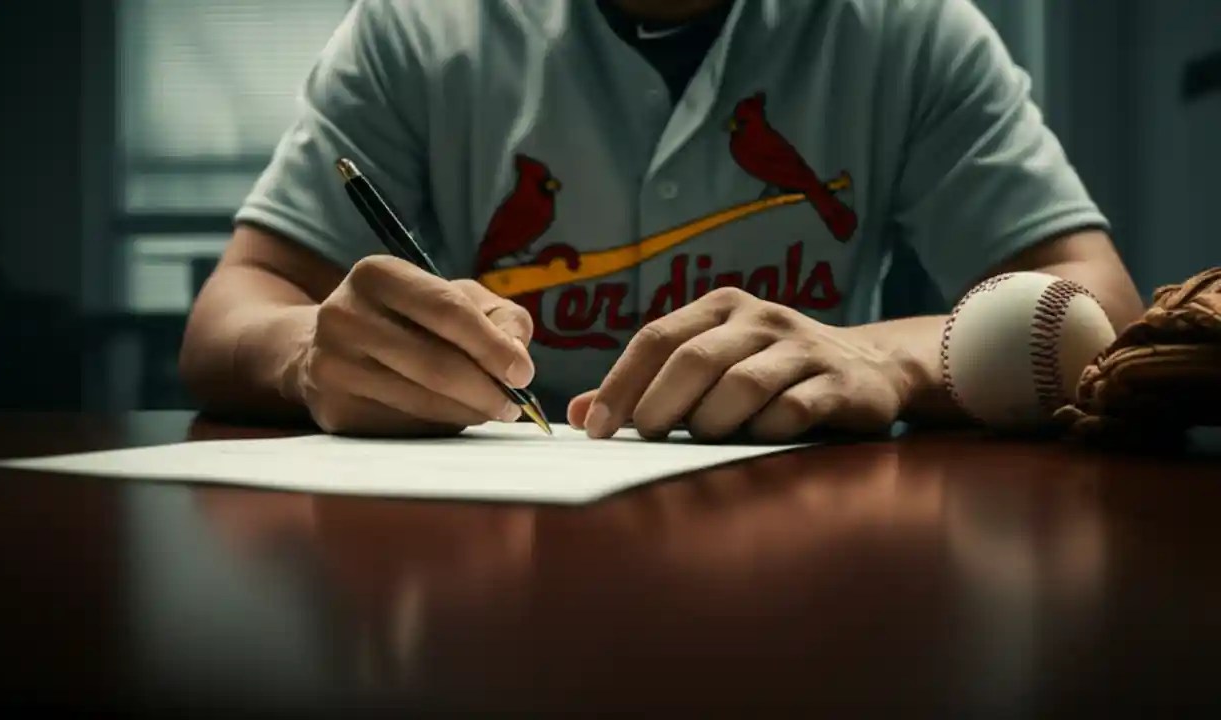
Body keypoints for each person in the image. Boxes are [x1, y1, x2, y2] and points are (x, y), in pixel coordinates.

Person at [180, 0, 1143, 441]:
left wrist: (883, 359)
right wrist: (310, 352)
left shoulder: (910, 26)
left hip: (813, 539)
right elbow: (233, 310)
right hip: (481, 547)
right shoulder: (415, 24)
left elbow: (1102, 316)